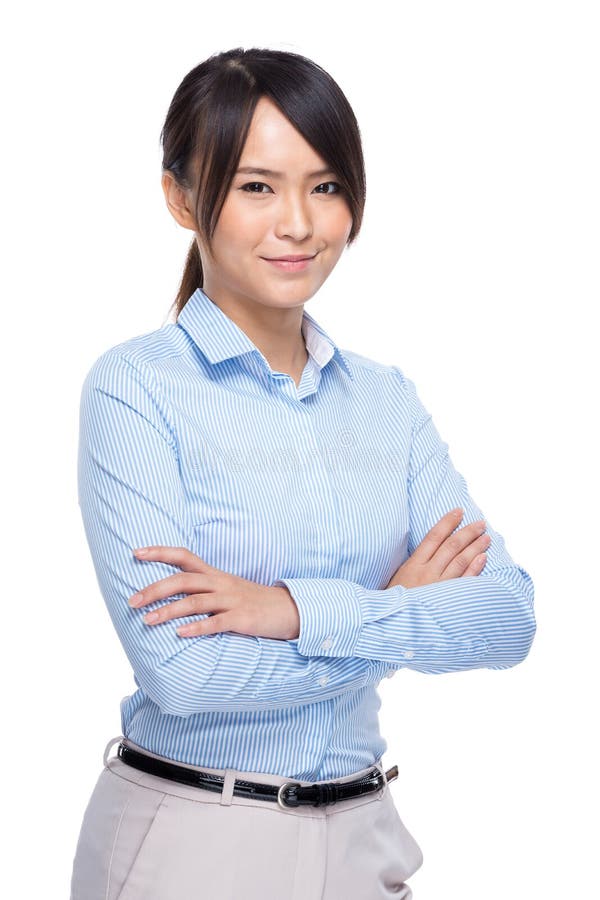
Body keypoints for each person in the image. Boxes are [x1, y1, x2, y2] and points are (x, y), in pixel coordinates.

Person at [69, 46, 536, 900]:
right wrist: (395, 615)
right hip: (195, 841)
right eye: (257, 186)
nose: (299, 223)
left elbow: (507, 620)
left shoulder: (385, 401)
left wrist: (290, 611)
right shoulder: (135, 389)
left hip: (365, 839)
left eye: (325, 186)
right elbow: (184, 677)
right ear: (181, 197)